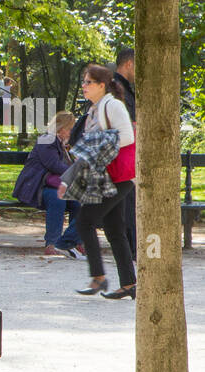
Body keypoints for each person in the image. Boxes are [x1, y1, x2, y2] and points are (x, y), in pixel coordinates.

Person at [60, 64, 136, 299]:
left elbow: (127, 137)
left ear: (102, 85)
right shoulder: (95, 109)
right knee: (114, 229)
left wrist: (98, 147)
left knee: (85, 221)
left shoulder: (112, 105)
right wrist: (69, 178)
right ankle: (129, 284)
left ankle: (98, 277)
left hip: (120, 175)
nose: (84, 86)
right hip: (108, 175)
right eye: (83, 81)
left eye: (88, 82)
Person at [13, 111, 82, 257]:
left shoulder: (63, 143)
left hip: (52, 184)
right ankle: (52, 243)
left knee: (79, 202)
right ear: (61, 128)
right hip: (37, 186)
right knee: (57, 198)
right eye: (70, 129)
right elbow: (53, 165)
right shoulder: (46, 140)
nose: (71, 132)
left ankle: (73, 242)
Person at [113, 48, 137, 252]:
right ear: (129, 64)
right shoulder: (117, 88)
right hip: (122, 156)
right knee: (126, 204)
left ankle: (130, 248)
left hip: (125, 156)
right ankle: (131, 248)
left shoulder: (123, 88)